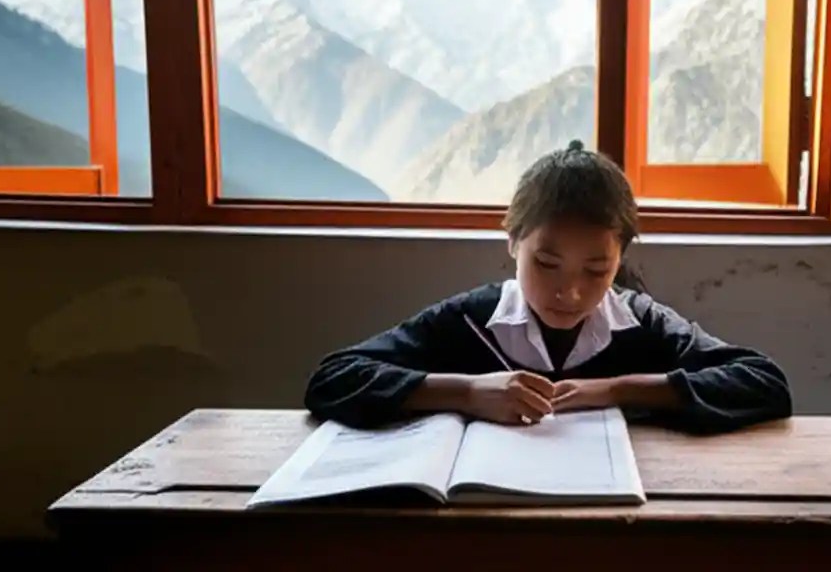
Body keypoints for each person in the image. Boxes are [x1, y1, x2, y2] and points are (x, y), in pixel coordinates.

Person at [304, 141, 791, 434]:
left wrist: (616, 390)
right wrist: (467, 392)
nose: (571, 292)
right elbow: (333, 379)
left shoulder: (641, 323)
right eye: (547, 263)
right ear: (513, 240)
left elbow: (764, 383)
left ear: (621, 256)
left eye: (596, 269)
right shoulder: (470, 322)